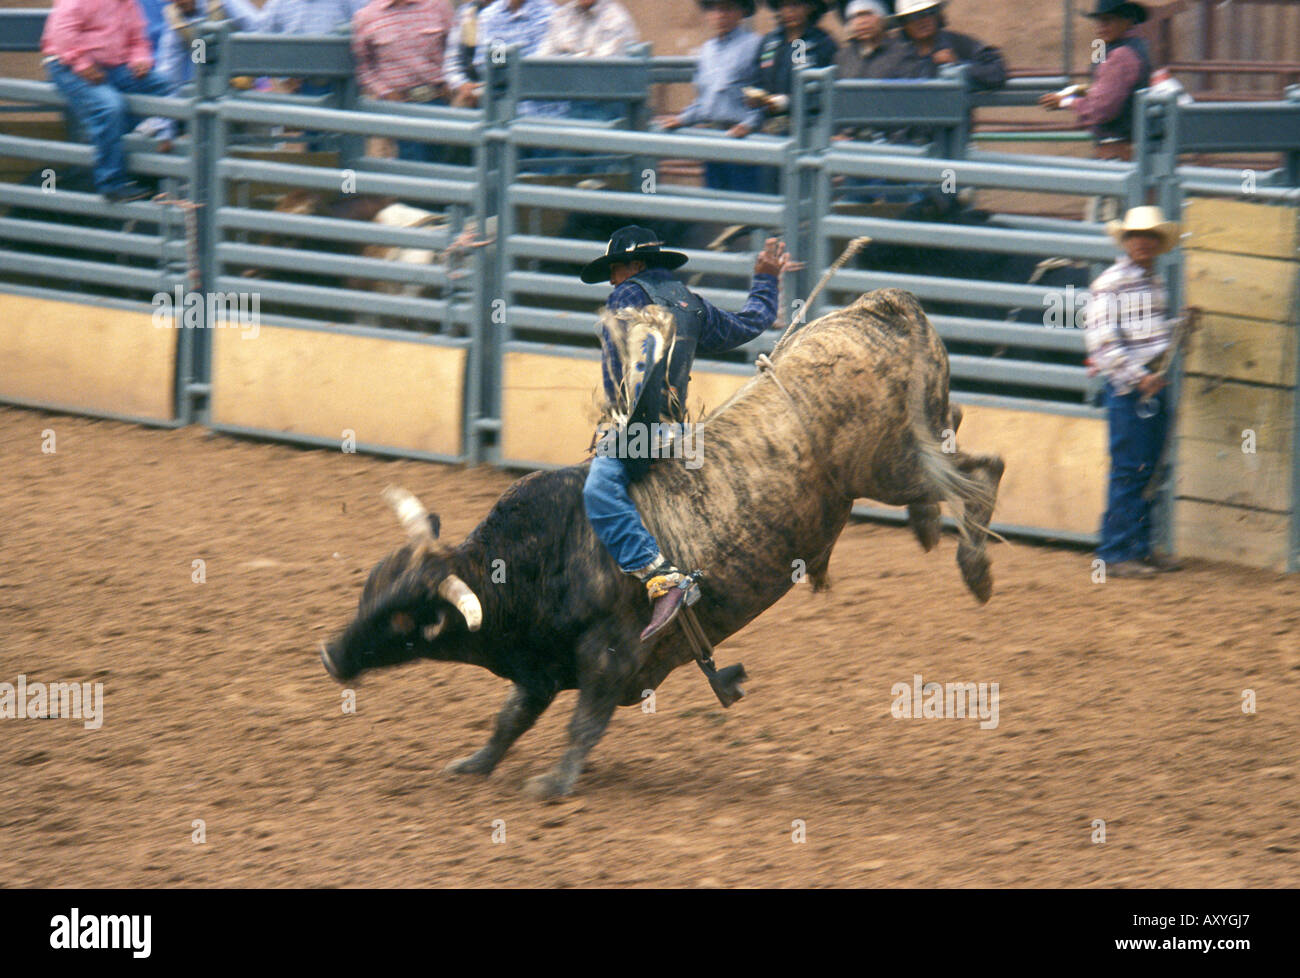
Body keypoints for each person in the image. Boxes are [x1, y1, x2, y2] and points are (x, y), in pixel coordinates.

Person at [579, 227, 794, 639]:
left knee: (598, 491)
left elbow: (627, 374)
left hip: (639, 435)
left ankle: (661, 578)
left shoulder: (626, 297)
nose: (612, 280)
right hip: (681, 438)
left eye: (616, 269)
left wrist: (619, 427)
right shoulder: (691, 303)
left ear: (636, 267)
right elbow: (750, 323)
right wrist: (767, 278)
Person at [1085, 206, 1190, 578]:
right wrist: (1138, 376)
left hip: (1150, 385)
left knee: (1148, 470)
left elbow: (1149, 334)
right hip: (1131, 390)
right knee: (1131, 470)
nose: (1142, 242)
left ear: (1158, 244)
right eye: (1136, 236)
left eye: (1149, 236)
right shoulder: (1110, 283)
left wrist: (1181, 326)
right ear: (1127, 241)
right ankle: (1115, 552)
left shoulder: (1152, 282)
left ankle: (1138, 548)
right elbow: (1102, 345)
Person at [41, 0, 177, 202]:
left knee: (163, 87)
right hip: (67, 64)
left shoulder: (128, 4)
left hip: (114, 65)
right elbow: (62, 33)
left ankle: (109, 134)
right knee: (111, 107)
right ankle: (111, 184)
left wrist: (140, 60)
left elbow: (138, 40)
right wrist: (81, 64)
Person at [657, 0, 763, 193]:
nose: (720, 15)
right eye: (714, 9)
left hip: (742, 137)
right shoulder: (708, 50)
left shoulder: (755, 45)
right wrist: (683, 118)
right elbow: (704, 98)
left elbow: (764, 90)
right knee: (715, 197)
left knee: (744, 202)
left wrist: (750, 123)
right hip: (713, 136)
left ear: (741, 12)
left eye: (727, 8)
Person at [1038, 0, 1151, 161]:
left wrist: (1065, 102)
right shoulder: (1134, 48)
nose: (1101, 27)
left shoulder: (1120, 56)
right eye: (1099, 21)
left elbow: (1101, 109)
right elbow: (1106, 88)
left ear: (1126, 21)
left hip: (1116, 150)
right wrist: (1074, 91)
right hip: (1127, 148)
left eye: (1107, 21)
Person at [352, 0, 455, 162]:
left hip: (439, 101)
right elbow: (363, 66)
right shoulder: (367, 16)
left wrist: (449, 83)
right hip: (400, 105)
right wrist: (385, 92)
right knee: (412, 166)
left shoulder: (438, 6)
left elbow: (454, 49)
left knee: (446, 164)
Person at [745, 1, 838, 135]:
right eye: (784, 5)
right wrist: (755, 97)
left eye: (796, 5)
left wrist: (788, 101)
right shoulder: (769, 42)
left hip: (806, 129)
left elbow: (827, 92)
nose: (790, 11)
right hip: (768, 128)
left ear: (810, 7)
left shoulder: (823, 44)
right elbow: (755, 79)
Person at [891, 0, 1006, 91]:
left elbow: (996, 71)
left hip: (951, 119)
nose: (922, 21)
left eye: (928, 13)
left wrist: (958, 65)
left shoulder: (959, 43)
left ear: (938, 15)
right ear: (903, 24)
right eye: (913, 17)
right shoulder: (893, 54)